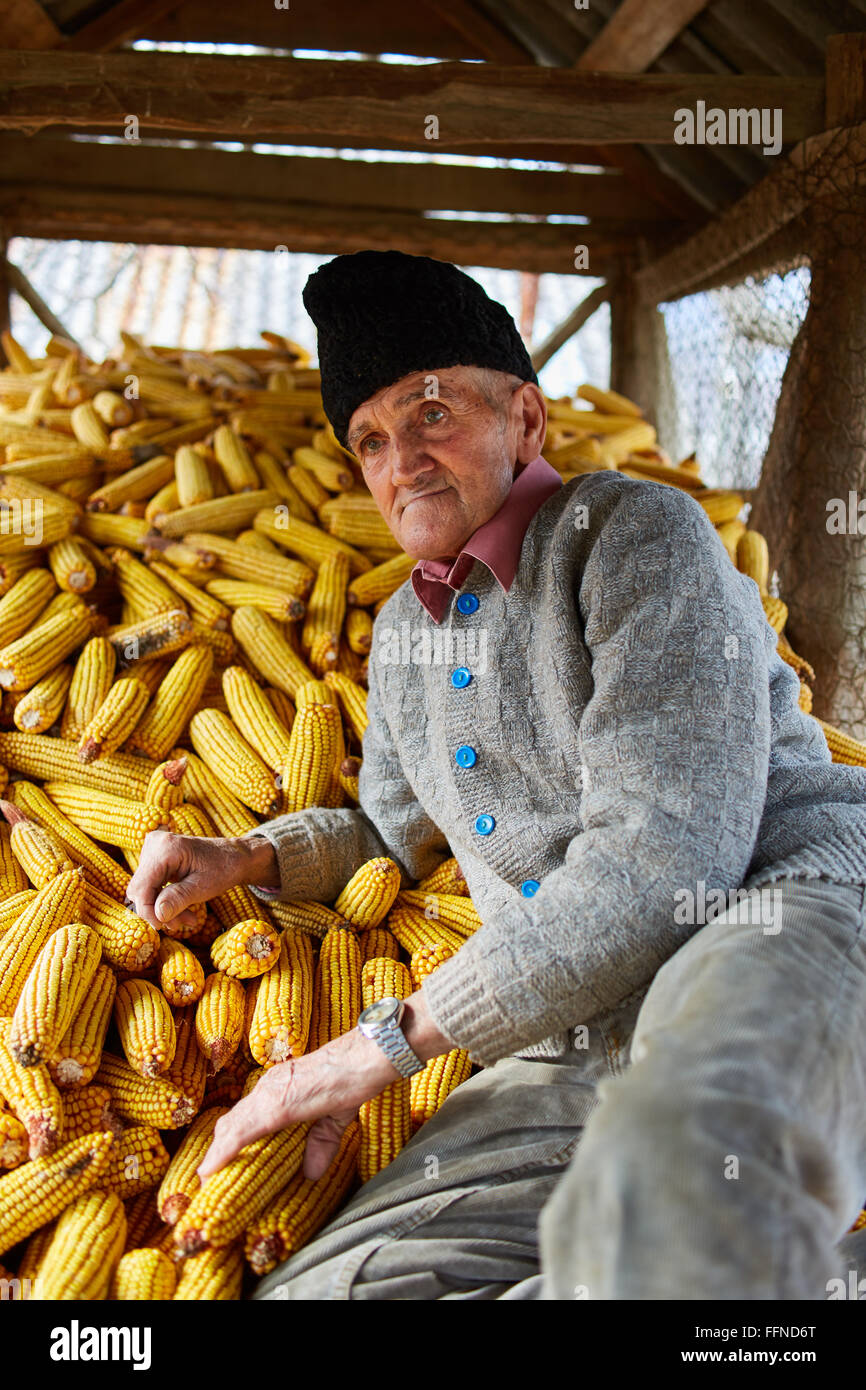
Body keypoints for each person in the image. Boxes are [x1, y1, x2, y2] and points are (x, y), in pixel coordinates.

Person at [126, 250, 866, 1300]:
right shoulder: (399, 636)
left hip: (771, 925)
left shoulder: (631, 537)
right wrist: (244, 856)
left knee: (670, 1223)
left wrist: (380, 1047)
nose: (401, 462)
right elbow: (389, 842)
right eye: (370, 441)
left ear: (524, 420)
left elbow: (665, 861)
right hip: (577, 1031)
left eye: (430, 415)